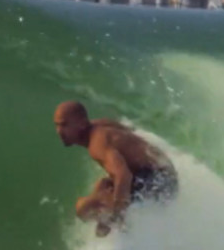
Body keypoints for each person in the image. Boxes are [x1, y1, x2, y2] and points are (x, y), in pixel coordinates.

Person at [53, 100, 178, 237]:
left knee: (83, 208)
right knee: (102, 185)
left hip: (160, 182)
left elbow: (124, 176)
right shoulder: (99, 125)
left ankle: (125, 235)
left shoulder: (97, 144)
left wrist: (116, 214)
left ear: (82, 124)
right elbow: (131, 134)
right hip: (163, 172)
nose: (59, 131)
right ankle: (116, 226)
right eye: (57, 125)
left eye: (64, 125)